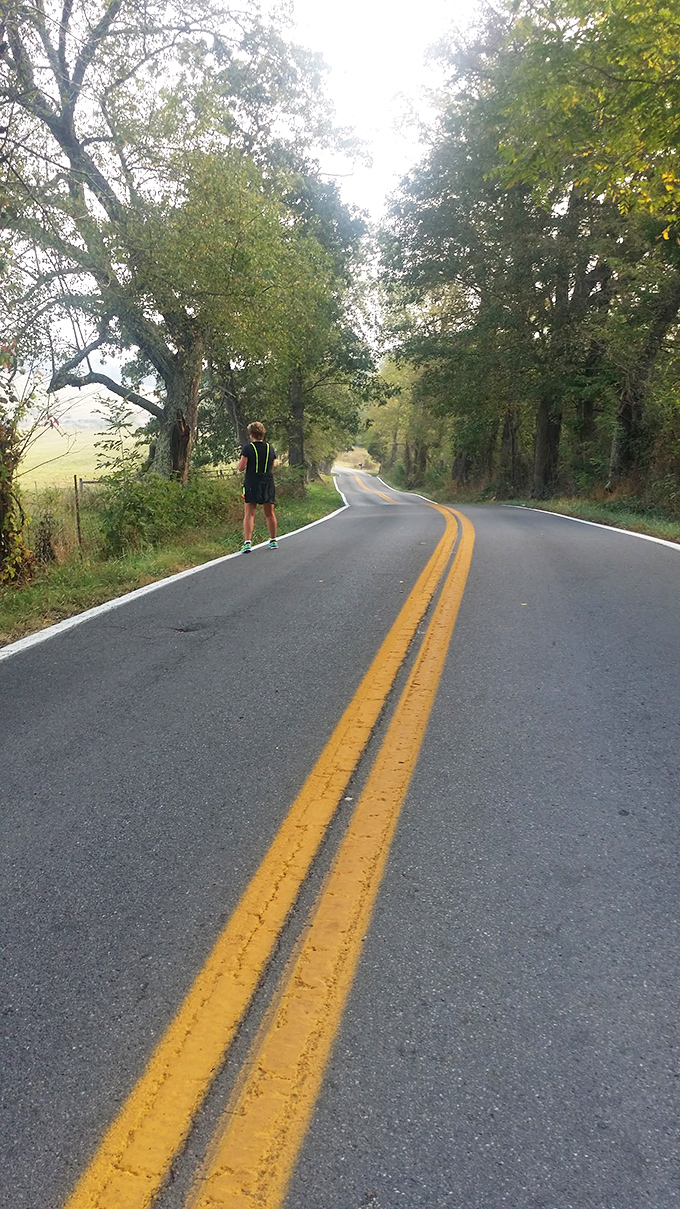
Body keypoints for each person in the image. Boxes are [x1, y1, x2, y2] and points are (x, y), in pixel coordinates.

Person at [237, 421, 278, 553]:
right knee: (270, 513)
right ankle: (273, 540)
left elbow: (241, 467)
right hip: (267, 481)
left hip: (252, 482)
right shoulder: (270, 448)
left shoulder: (248, 448)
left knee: (249, 513)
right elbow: (272, 466)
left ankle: (247, 543)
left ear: (250, 434)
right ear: (262, 434)